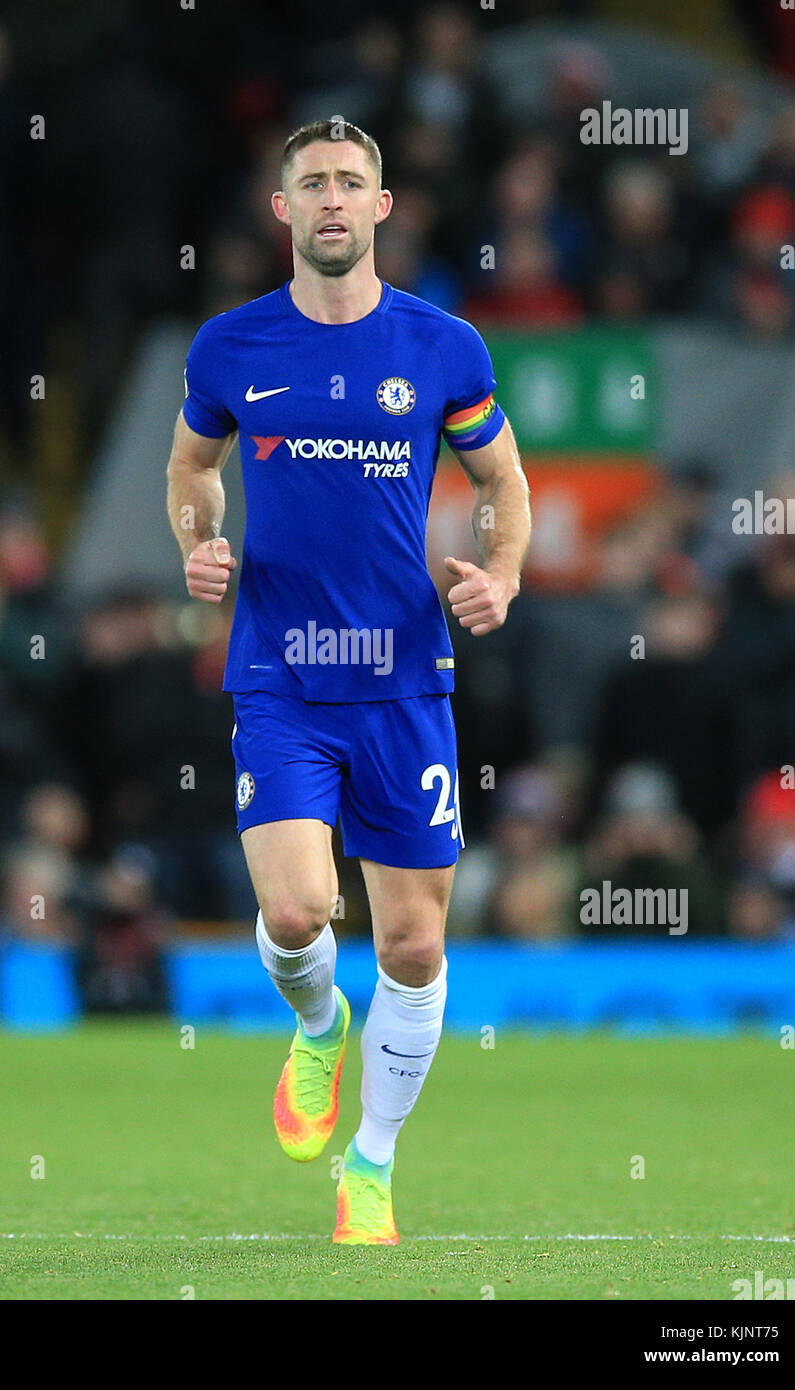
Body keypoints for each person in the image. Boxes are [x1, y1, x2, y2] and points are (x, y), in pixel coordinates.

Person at [166, 118, 530, 1244]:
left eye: (352, 183)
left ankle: (368, 1165)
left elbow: (502, 482)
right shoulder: (230, 348)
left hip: (404, 679)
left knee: (415, 945)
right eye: (311, 182)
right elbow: (192, 467)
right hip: (279, 672)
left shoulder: (443, 348)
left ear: (382, 209)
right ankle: (319, 1024)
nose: (332, 199)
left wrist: (502, 575)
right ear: (283, 210)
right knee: (293, 908)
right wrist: (198, 540)